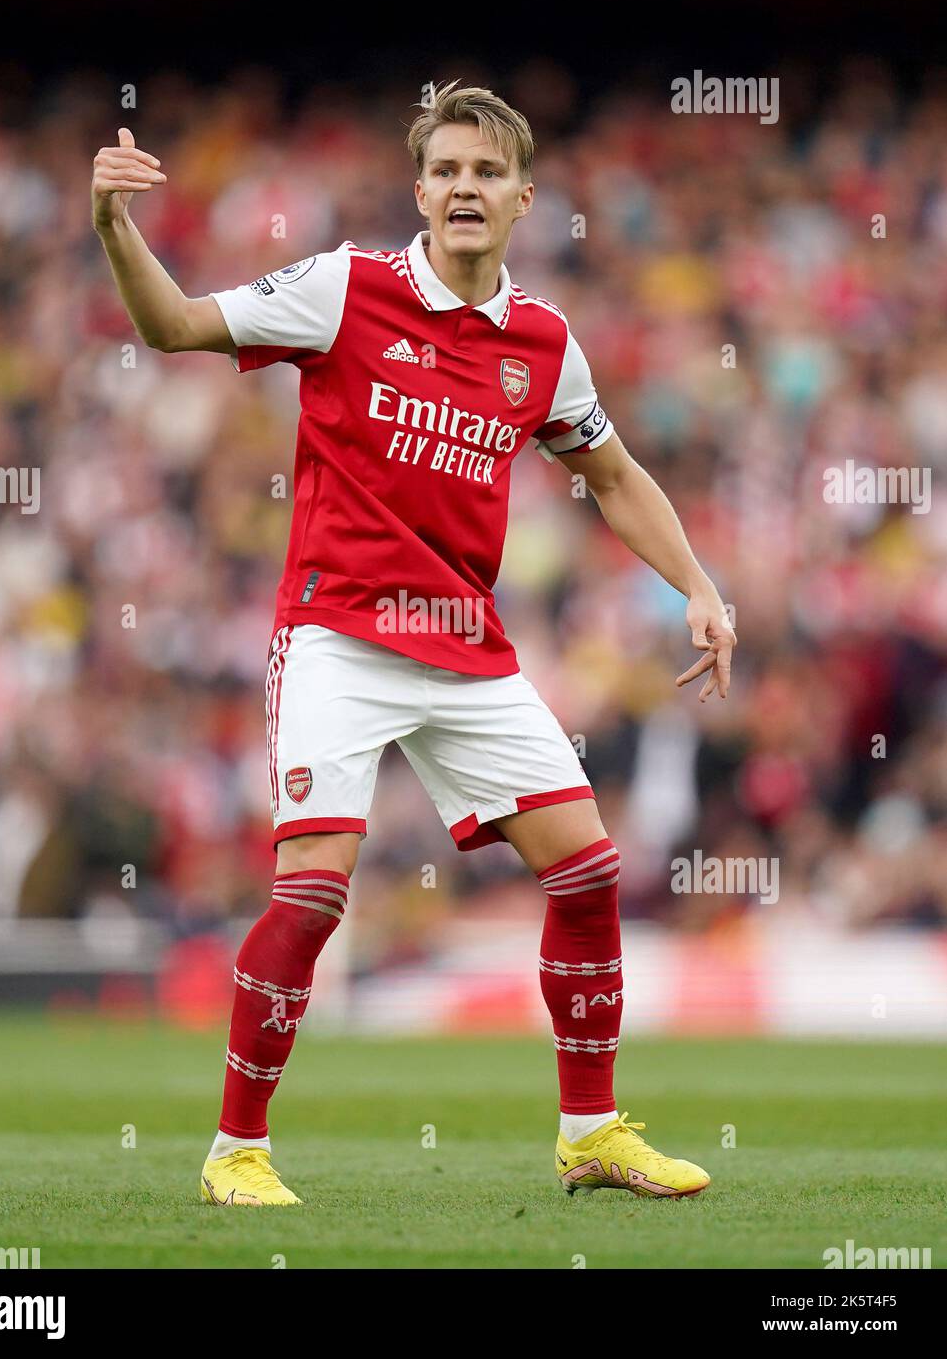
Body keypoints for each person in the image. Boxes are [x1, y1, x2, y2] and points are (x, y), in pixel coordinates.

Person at [91, 81, 736, 1206]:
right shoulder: (345, 287)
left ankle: (588, 1133)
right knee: (312, 897)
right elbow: (174, 324)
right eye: (444, 169)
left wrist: (696, 584)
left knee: (586, 873)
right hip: (337, 635)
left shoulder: (543, 341)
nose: (463, 188)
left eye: (485, 172)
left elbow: (612, 475)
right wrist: (112, 225)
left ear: (524, 197)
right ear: (419, 189)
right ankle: (235, 1150)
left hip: (465, 645)